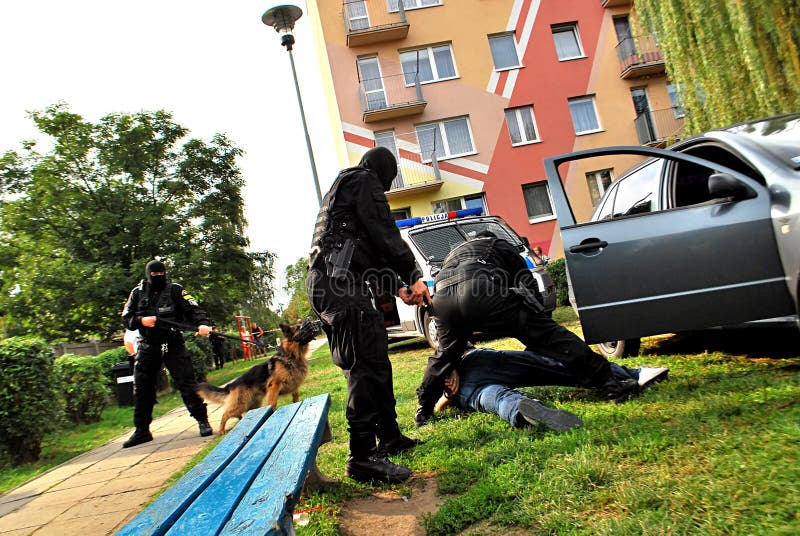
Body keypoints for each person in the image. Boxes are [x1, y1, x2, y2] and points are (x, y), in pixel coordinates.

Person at [415, 232, 641, 427]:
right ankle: (611, 384)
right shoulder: (498, 244)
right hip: (480, 289)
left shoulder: (454, 254)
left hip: (442, 298)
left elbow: (447, 349)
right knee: (549, 336)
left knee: (444, 355)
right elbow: (526, 282)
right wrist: (539, 322)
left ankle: (423, 410)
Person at [306, 146, 431, 484]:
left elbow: (367, 252)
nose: (386, 191)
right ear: (384, 173)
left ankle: (389, 437)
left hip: (332, 283)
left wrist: (398, 287)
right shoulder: (364, 180)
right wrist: (412, 274)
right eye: (388, 183)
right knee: (363, 366)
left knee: (373, 360)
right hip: (339, 286)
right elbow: (384, 232)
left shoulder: (346, 190)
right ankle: (361, 457)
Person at [435, 347, 669, 430]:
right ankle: (632, 374)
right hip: (475, 362)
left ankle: (521, 409)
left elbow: (436, 405)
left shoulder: (437, 386)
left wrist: (448, 394)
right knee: (550, 367)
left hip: (465, 394)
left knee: (498, 399)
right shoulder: (446, 354)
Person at [121, 259, 214, 448]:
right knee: (142, 388)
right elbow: (126, 318)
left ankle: (202, 420)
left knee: (187, 383)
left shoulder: (175, 290)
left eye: (160, 274)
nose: (157, 277)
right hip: (148, 345)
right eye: (154, 274)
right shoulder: (137, 293)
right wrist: (141, 321)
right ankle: (142, 430)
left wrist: (202, 324)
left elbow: (194, 309)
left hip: (173, 343)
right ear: (148, 275)